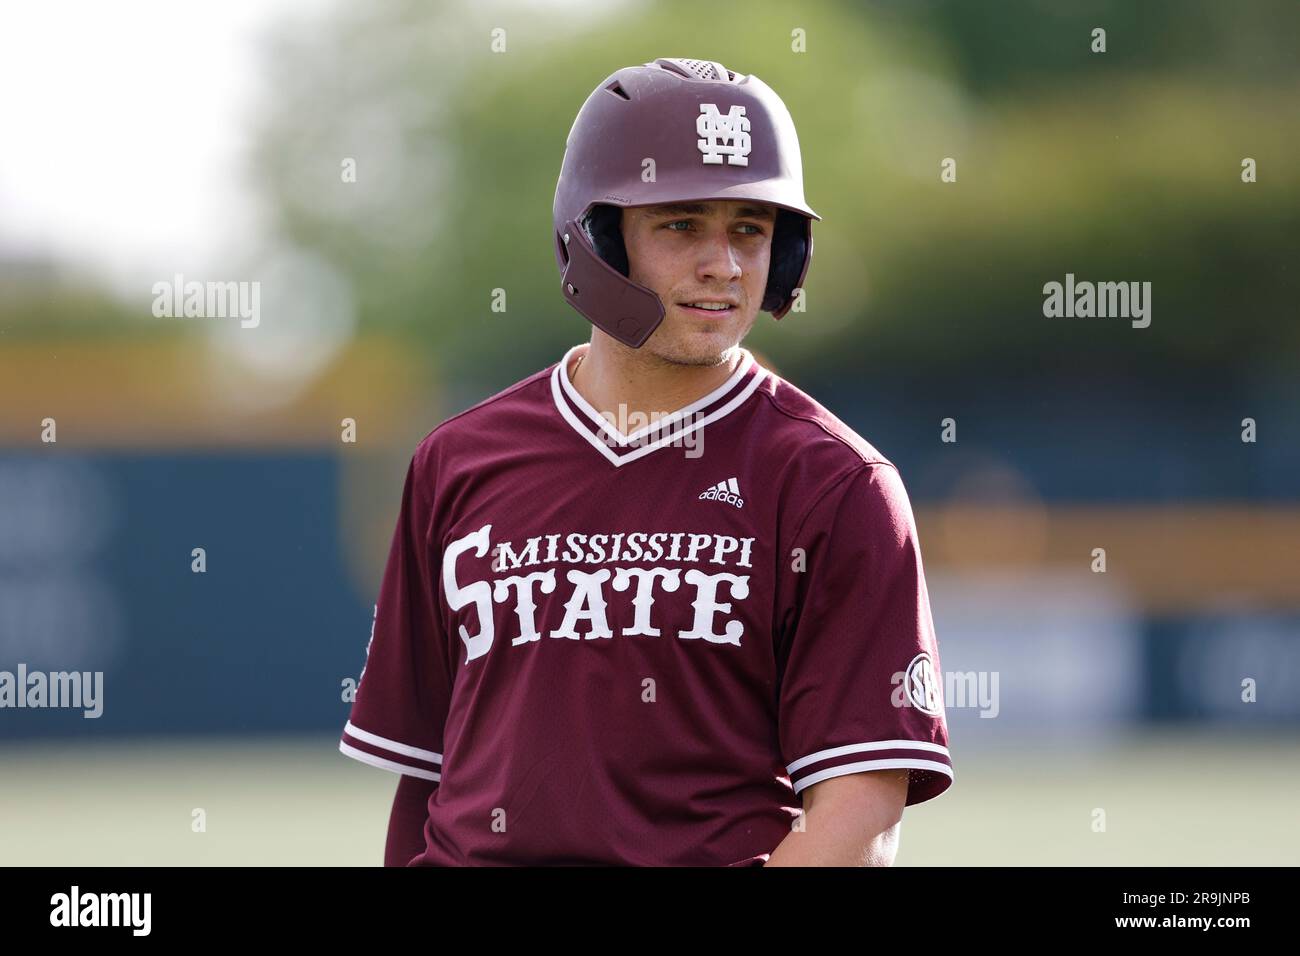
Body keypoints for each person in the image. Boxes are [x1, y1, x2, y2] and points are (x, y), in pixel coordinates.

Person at [340, 57, 952, 866]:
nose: (724, 264)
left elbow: (858, 811)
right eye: (680, 225)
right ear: (596, 241)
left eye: (750, 229)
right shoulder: (457, 461)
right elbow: (424, 775)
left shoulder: (835, 483)